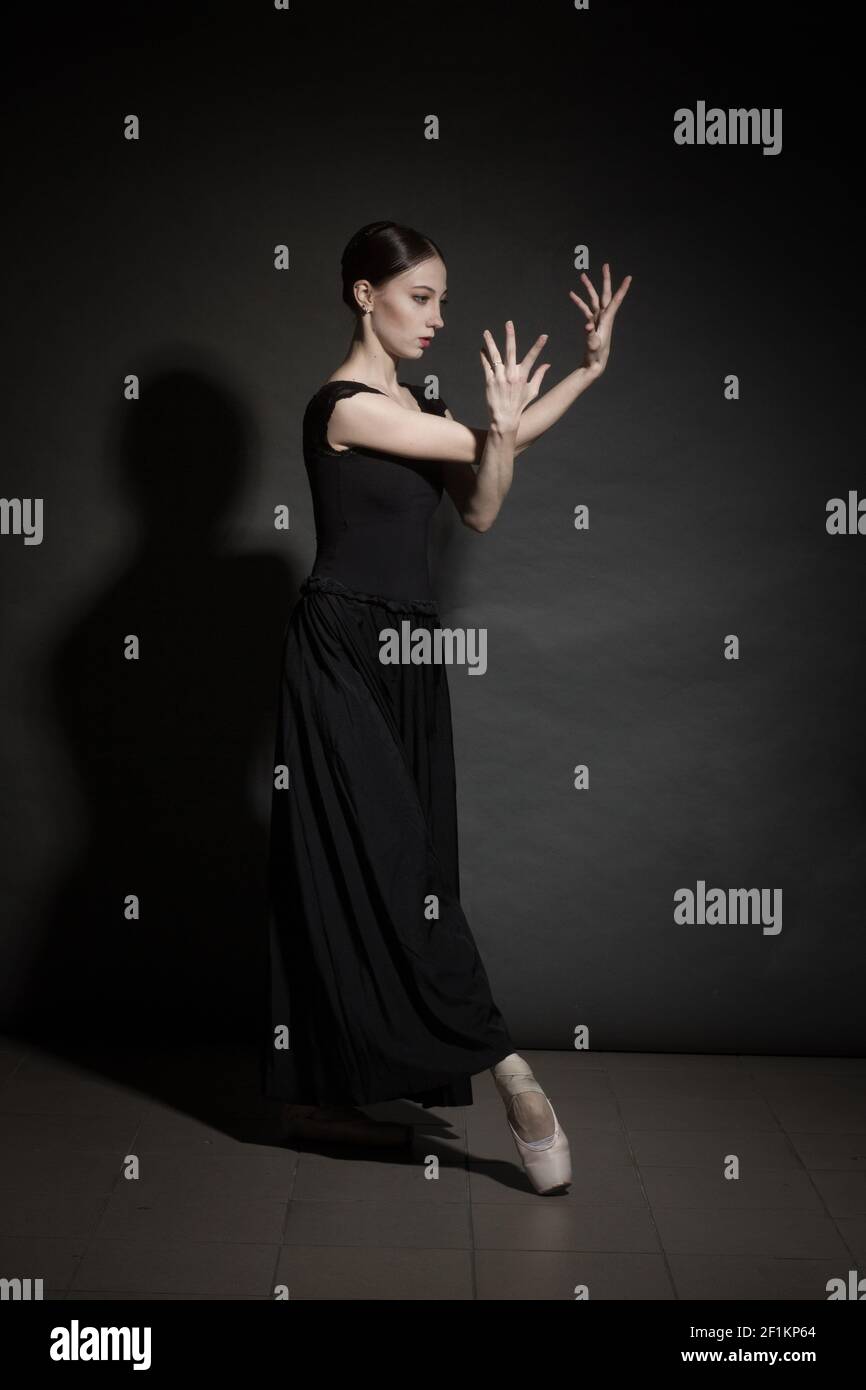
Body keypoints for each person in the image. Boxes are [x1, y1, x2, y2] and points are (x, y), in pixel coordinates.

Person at [262, 220, 631, 1195]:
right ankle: (511, 1072)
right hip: (339, 648)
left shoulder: (417, 401)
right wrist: (498, 428)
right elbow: (478, 443)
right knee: (370, 860)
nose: (435, 317)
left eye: (440, 300)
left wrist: (584, 375)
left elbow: (480, 504)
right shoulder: (341, 407)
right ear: (361, 294)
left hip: (410, 656)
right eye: (419, 297)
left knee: (410, 866)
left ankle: (322, 1090)